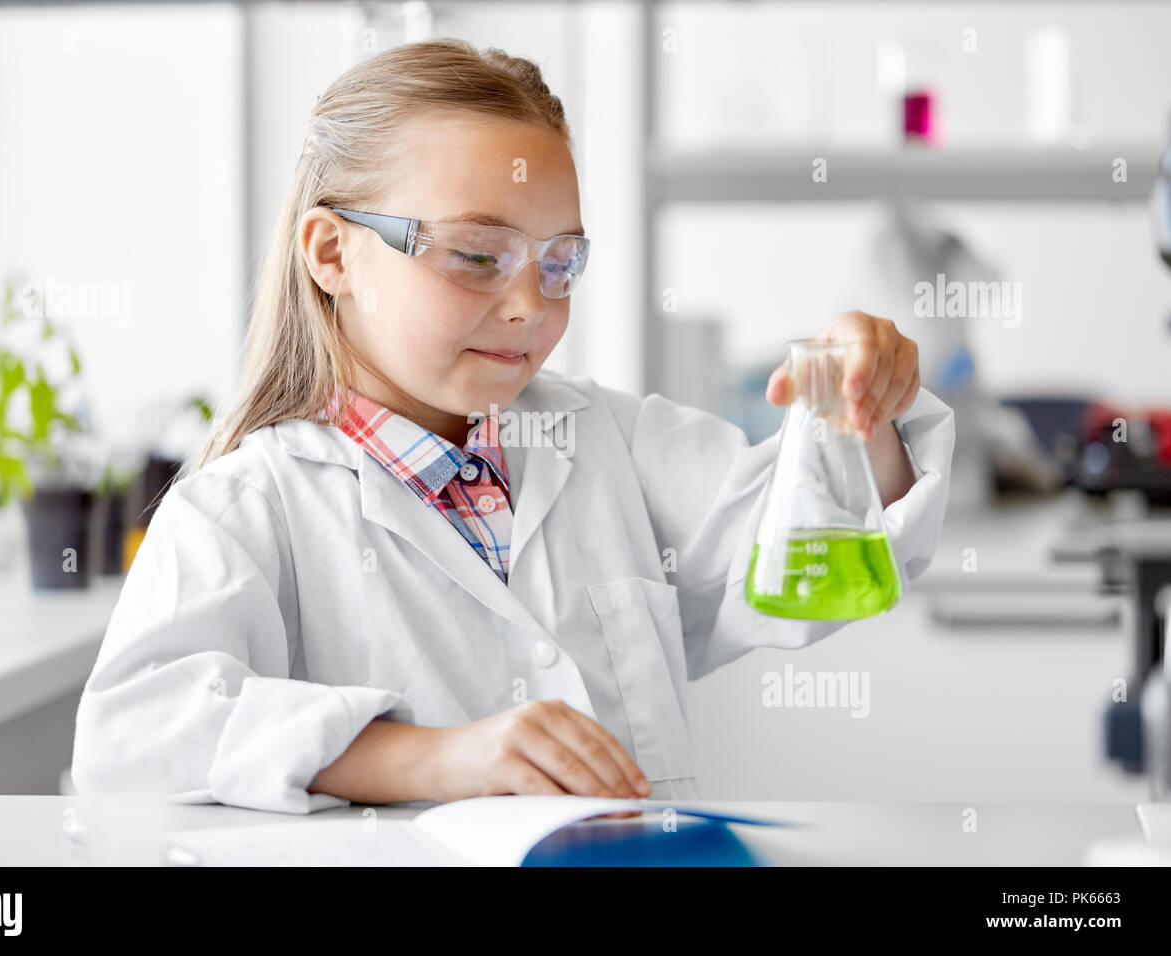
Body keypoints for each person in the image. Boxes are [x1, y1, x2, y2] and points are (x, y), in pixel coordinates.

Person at [70, 39, 955, 815]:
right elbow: (134, 739)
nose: (530, 305)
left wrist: (858, 413)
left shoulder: (610, 440)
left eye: (560, 263)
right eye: (477, 256)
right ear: (333, 253)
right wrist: (436, 759)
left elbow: (813, 554)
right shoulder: (245, 511)